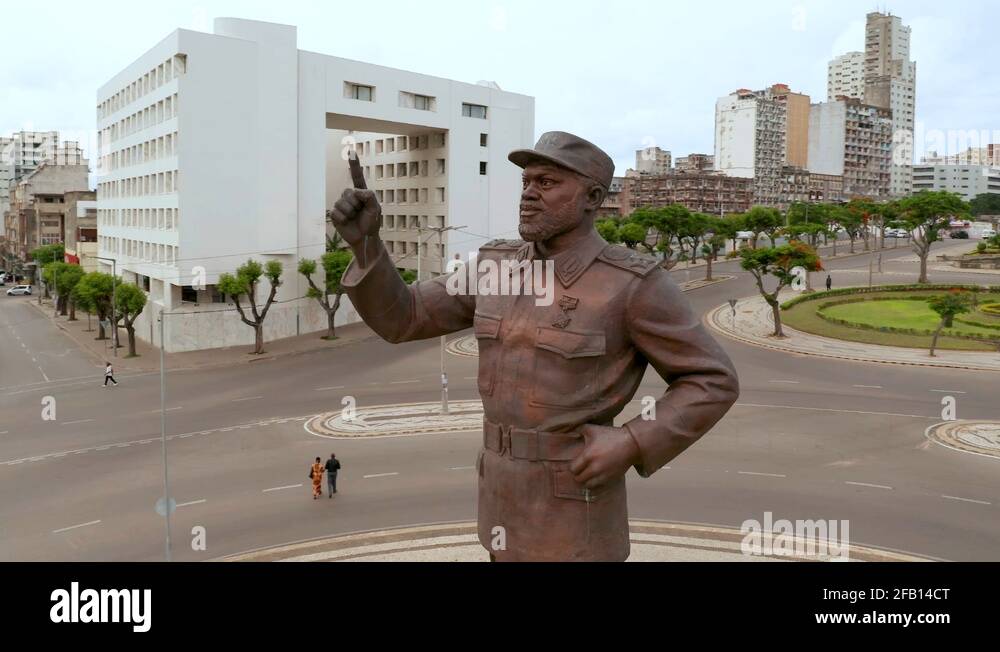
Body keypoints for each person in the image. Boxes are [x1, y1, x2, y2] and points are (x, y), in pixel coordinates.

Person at [330, 131, 739, 561]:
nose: (528, 194)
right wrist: (365, 245)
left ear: (593, 197)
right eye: (526, 182)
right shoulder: (494, 267)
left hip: (575, 517)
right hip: (501, 508)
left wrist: (632, 441)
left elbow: (712, 379)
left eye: (546, 183)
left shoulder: (632, 284)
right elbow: (404, 317)